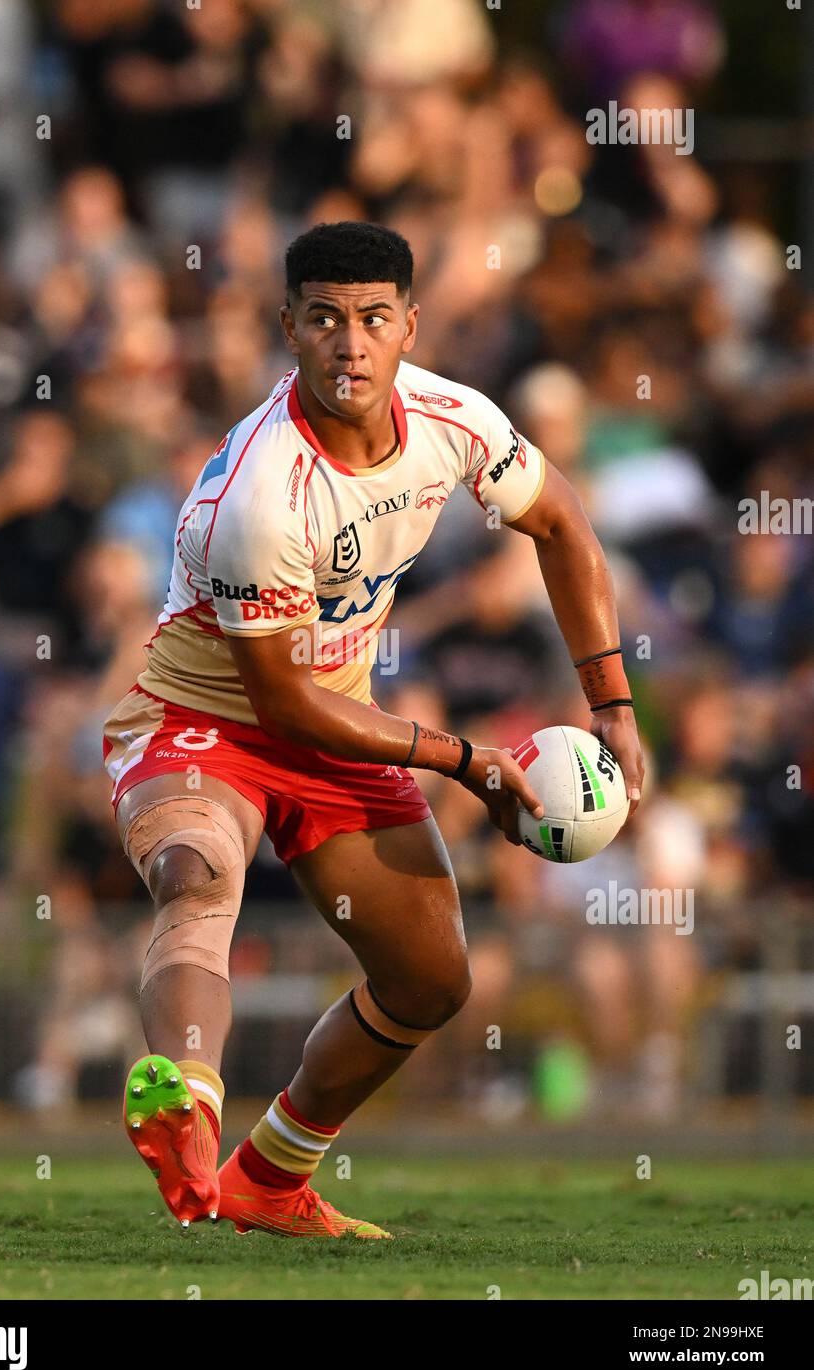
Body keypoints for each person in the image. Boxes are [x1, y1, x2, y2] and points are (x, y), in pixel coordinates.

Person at [102, 221, 644, 1238]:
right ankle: (184, 1090)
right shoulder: (258, 495)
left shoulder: (455, 418)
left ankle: (269, 1174)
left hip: (336, 723)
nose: (348, 343)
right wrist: (460, 759)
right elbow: (278, 705)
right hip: (203, 717)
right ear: (288, 330)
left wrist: (610, 704)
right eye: (323, 320)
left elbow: (562, 524)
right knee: (198, 871)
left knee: (430, 977)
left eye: (370, 318)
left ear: (408, 325)